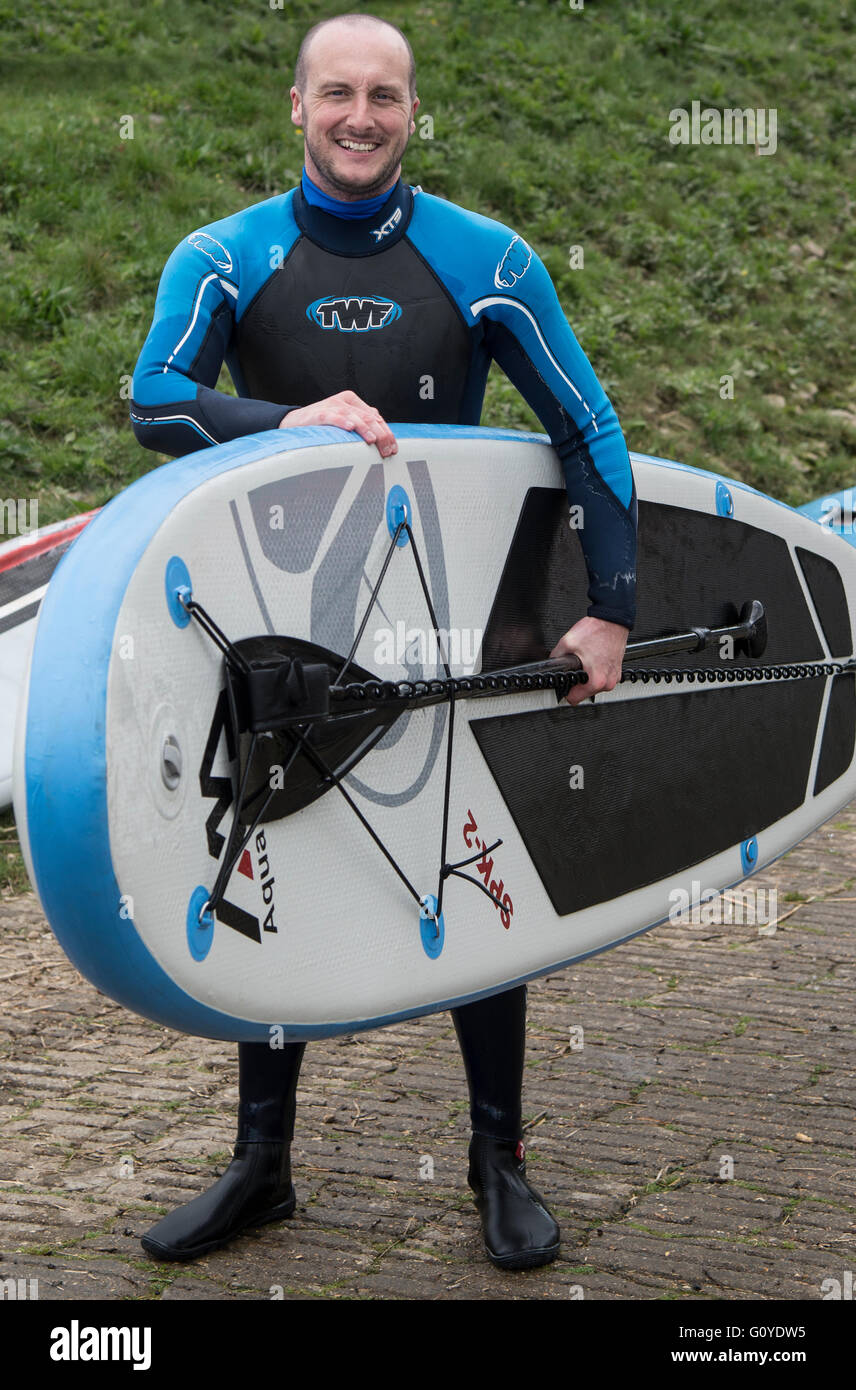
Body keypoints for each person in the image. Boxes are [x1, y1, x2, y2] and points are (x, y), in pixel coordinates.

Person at [130, 11, 637, 1272]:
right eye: (338, 93)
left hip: (448, 610)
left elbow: (588, 426)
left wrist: (611, 603)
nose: (362, 116)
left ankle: (497, 1160)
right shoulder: (225, 256)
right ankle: (262, 1165)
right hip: (281, 620)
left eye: (387, 97)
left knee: (475, 862)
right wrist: (284, 419)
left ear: (415, 115)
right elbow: (153, 399)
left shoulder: (488, 258)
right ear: (295, 108)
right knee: (271, 860)